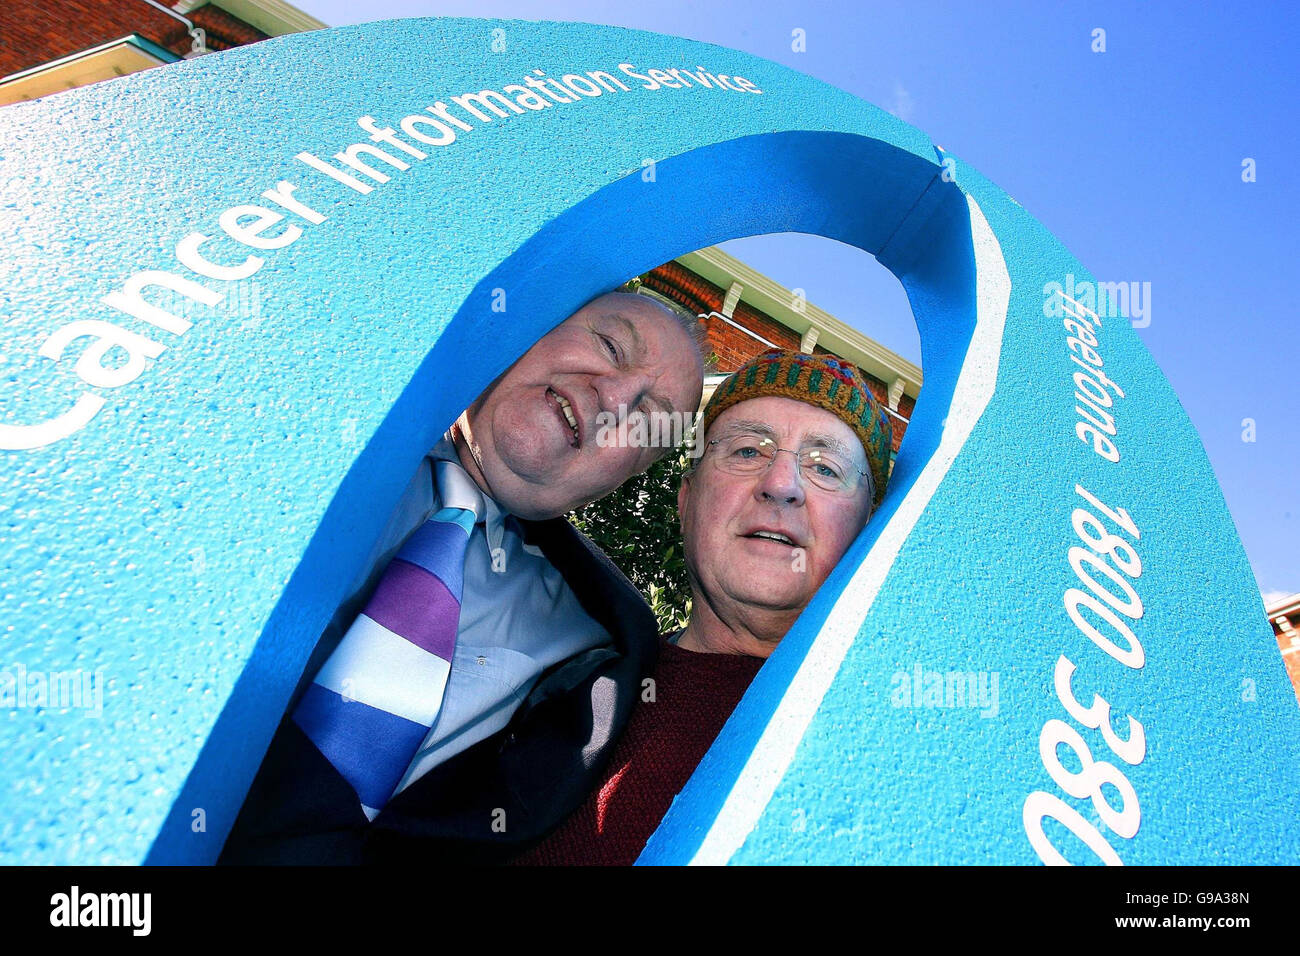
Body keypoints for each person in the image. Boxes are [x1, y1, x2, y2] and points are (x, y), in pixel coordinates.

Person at [219, 289, 705, 865]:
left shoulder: (593, 645)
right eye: (609, 344)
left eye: (649, 420)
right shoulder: (300, 410)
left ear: (621, 479)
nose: (617, 397)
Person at [513, 349, 893, 865]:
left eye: (825, 467)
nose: (781, 485)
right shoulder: (550, 677)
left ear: (867, 531)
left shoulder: (894, 747)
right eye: (745, 452)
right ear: (687, 500)